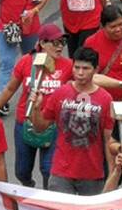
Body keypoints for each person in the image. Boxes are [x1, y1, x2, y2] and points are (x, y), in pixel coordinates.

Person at [0, 24, 71, 187]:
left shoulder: (68, 65)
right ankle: (28, 187)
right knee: (21, 171)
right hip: (25, 123)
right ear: (42, 43)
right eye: (56, 42)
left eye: (63, 42)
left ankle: (45, 202)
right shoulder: (26, 62)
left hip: (53, 125)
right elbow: (10, 89)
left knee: (48, 170)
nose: (61, 46)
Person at [33, 46, 115, 196]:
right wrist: (36, 108)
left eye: (86, 68)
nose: (80, 73)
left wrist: (112, 173)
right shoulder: (61, 92)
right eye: (76, 67)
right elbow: (40, 127)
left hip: (92, 173)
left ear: (96, 69)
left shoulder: (105, 99)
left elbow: (109, 139)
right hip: (61, 171)